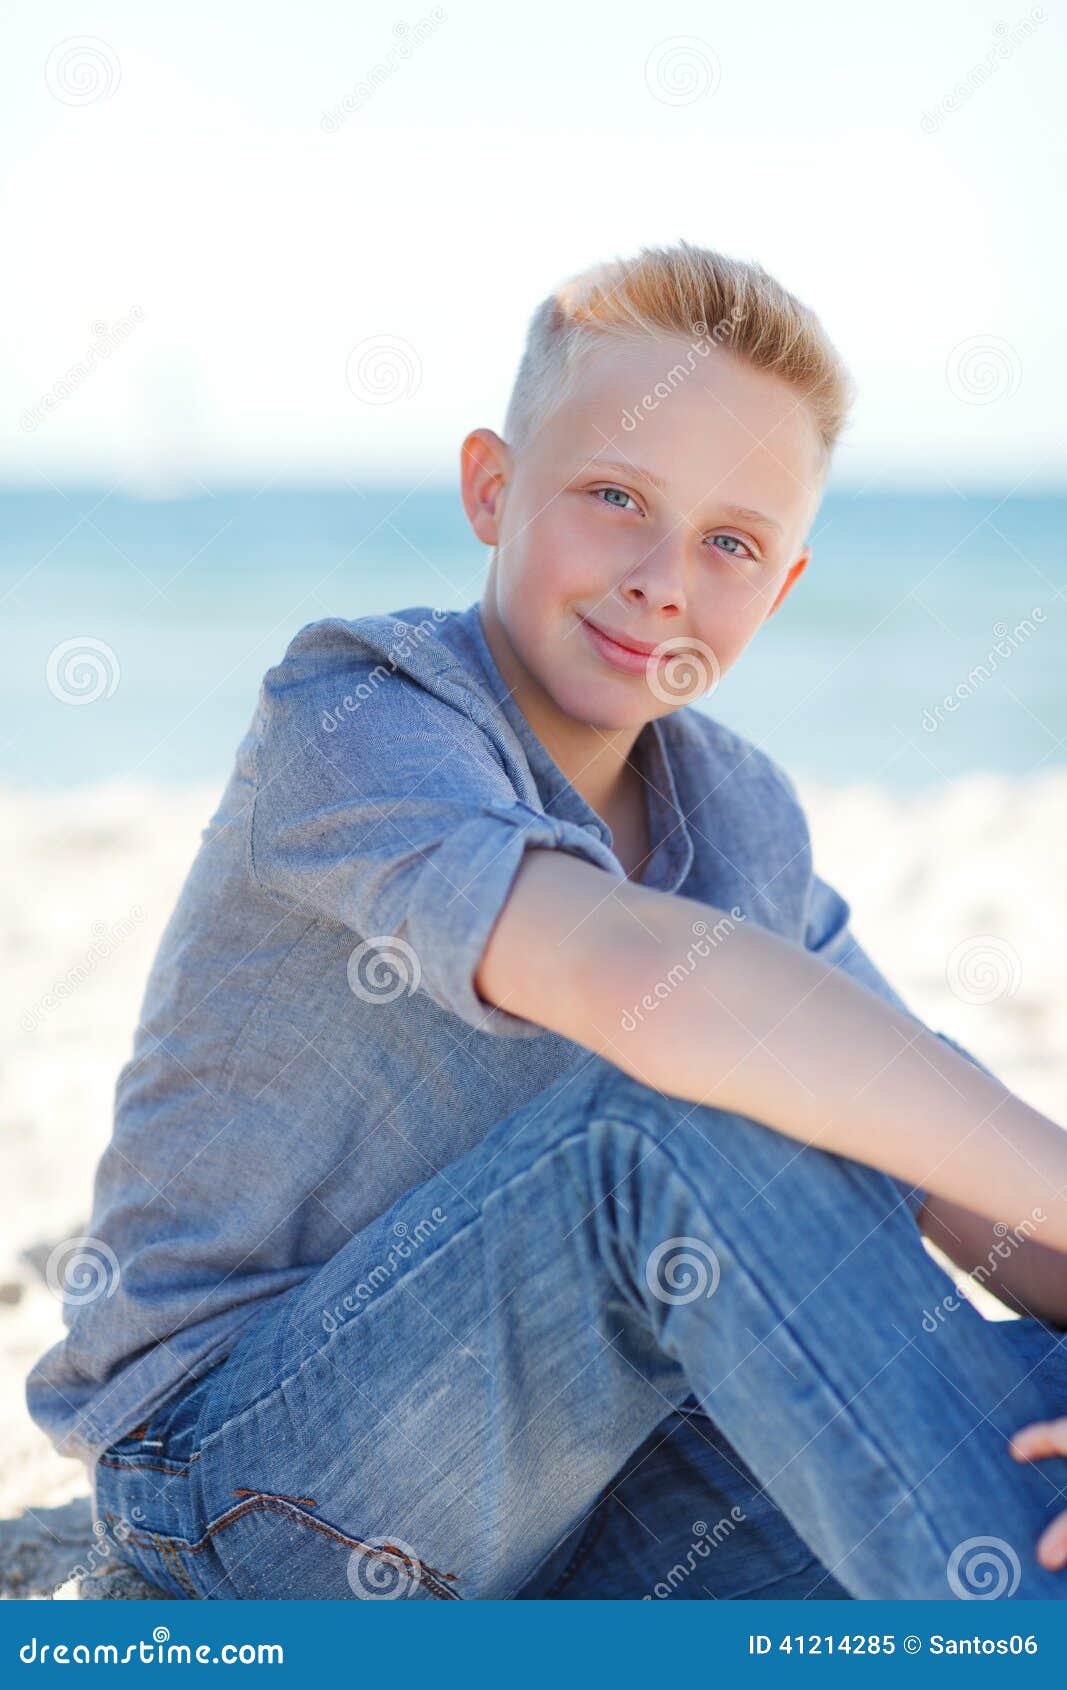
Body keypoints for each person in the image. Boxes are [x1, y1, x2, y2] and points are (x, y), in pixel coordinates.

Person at [27, 241, 1067, 1600]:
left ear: (787, 585)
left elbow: (937, 1159)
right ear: (491, 487)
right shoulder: (360, 711)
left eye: (731, 542)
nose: (662, 577)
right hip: (252, 1492)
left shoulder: (736, 812)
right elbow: (641, 977)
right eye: (616, 497)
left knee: (1034, 1379)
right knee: (670, 1113)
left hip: (596, 1494)